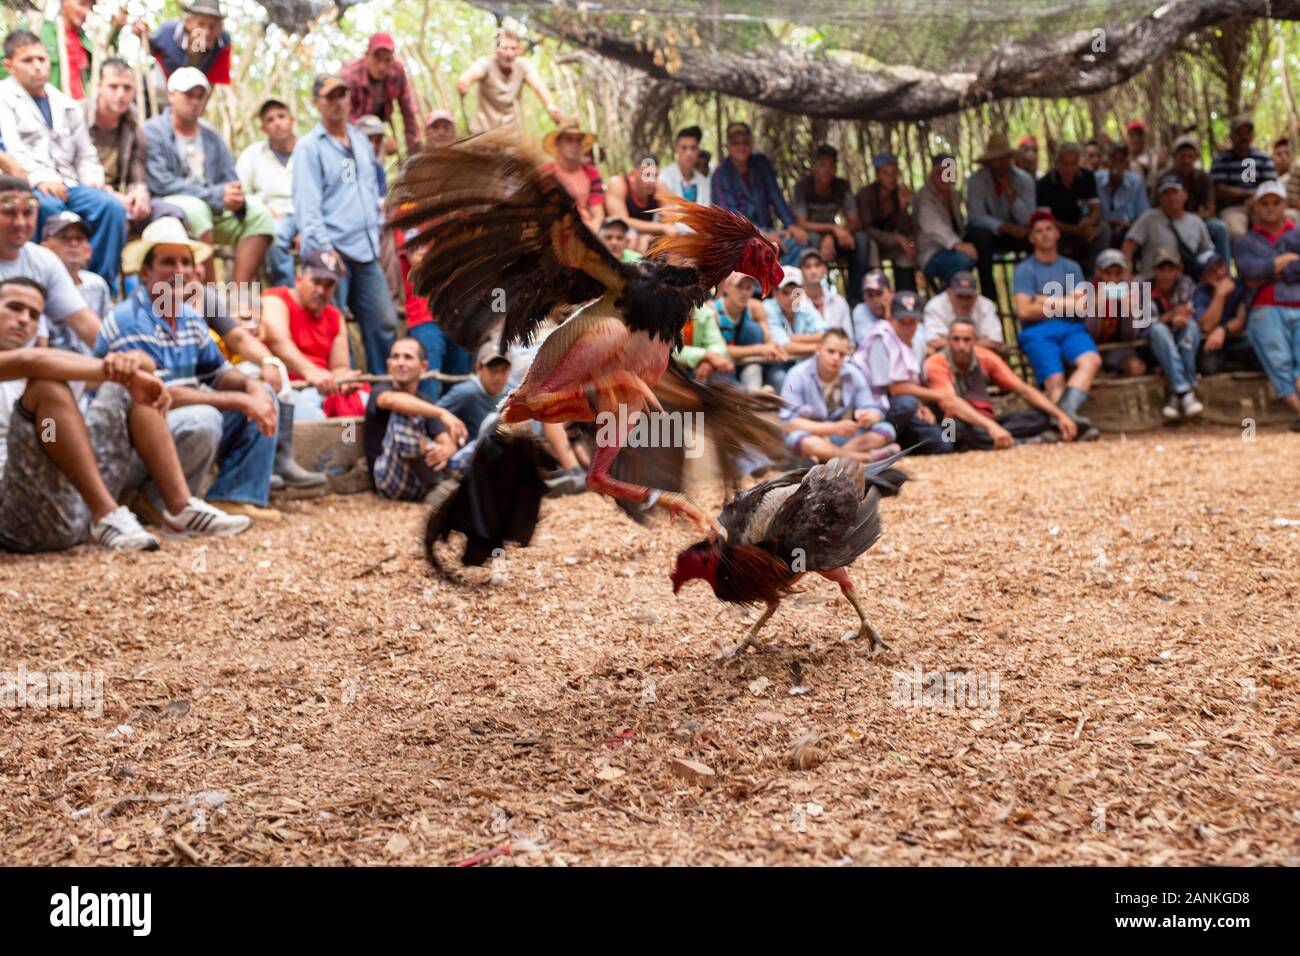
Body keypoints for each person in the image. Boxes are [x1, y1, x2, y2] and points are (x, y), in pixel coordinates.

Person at [0, 276, 248, 551]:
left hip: (69, 499)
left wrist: (130, 366)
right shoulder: (37, 369)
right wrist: (112, 369)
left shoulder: (50, 365)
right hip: (17, 513)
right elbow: (30, 362)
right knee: (49, 387)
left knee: (127, 387)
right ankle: (105, 514)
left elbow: (144, 364)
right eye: (14, 307)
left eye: (33, 314)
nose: (24, 319)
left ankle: (179, 509)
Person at [95, 217, 282, 521]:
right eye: (169, 262)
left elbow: (219, 374)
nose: (180, 272)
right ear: (145, 272)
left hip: (172, 427)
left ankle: (232, 496)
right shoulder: (130, 318)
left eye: (186, 262)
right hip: (128, 445)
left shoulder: (190, 317)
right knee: (204, 419)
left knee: (262, 395)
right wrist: (240, 399)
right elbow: (159, 395)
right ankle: (161, 503)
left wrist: (253, 388)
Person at [0, 29, 126, 286]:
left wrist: (93, 181)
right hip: (30, 185)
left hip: (70, 184)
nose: (37, 67)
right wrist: (38, 180)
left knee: (110, 207)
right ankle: (44, 287)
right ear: (9, 65)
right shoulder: (3, 98)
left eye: (42, 59)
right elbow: (12, 151)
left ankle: (97, 285)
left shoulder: (65, 103)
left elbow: (85, 154)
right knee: (46, 208)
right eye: (28, 60)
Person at [293, 74, 397, 375]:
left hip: (365, 250)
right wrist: (325, 250)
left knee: (384, 320)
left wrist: (375, 231)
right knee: (333, 328)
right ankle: (345, 400)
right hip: (332, 250)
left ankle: (382, 392)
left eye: (342, 94)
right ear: (317, 103)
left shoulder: (361, 141)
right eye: (330, 96)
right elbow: (307, 205)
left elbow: (370, 190)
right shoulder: (309, 147)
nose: (338, 101)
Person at [143, 67, 274, 285]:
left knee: (259, 216)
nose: (195, 102)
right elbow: (162, 183)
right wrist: (215, 195)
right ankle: (210, 300)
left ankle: (236, 296)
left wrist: (235, 198)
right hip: (172, 208)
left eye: (200, 96)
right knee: (197, 209)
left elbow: (230, 178)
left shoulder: (211, 135)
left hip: (213, 209)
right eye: (189, 95)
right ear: (171, 95)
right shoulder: (152, 131)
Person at [924, 316, 1080, 450]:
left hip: (983, 423)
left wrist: (1060, 415)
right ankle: (1021, 442)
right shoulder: (936, 363)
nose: (961, 346)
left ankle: (997, 438)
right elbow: (952, 404)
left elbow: (1023, 389)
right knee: (955, 428)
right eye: (956, 339)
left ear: (976, 341)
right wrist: (991, 427)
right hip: (949, 425)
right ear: (948, 341)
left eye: (967, 340)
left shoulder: (985, 357)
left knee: (1042, 417)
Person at [1012, 210, 1102, 430]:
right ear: (1032, 238)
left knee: (1091, 361)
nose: (1044, 235)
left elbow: (1081, 307)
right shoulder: (1024, 270)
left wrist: (1044, 300)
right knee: (1055, 382)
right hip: (1037, 332)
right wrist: (1065, 303)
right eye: (1038, 231)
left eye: (1049, 229)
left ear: (1057, 233)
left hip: (1071, 328)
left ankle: (1064, 417)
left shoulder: (1071, 267)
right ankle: (1067, 425)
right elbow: (1024, 311)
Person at [258, 249, 365, 422]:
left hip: (323, 390)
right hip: (287, 389)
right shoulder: (275, 299)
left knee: (361, 407)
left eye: (328, 285)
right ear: (299, 280)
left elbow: (339, 366)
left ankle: (348, 446)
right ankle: (333, 445)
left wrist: (343, 379)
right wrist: (312, 373)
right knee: (313, 418)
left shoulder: (335, 317)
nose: (321, 290)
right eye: (316, 282)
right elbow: (278, 341)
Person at [0, 175, 101, 354]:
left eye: (27, 213)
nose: (20, 223)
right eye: (9, 213)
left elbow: (83, 323)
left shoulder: (43, 260)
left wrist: (123, 357)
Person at [1233, 180, 1300, 430]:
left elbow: (1259, 273)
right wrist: (1285, 262)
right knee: (1279, 360)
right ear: (1255, 207)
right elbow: (1249, 273)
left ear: (1285, 205)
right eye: (1265, 203)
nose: (1270, 208)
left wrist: (1270, 270)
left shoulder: (1297, 233)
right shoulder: (1245, 242)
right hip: (1265, 308)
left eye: (1276, 203)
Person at [780, 329, 899, 463]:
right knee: (796, 438)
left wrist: (868, 416)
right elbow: (789, 423)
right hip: (813, 436)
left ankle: (826, 457)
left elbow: (874, 411)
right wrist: (833, 428)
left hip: (843, 438)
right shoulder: (797, 374)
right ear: (818, 349)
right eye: (831, 351)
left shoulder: (853, 374)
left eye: (842, 354)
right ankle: (864, 458)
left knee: (887, 430)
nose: (836, 358)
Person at [857, 290, 954, 454]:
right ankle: (882, 441)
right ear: (891, 318)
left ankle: (900, 443)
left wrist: (922, 406)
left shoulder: (918, 340)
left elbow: (915, 381)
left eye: (912, 322)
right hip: (878, 406)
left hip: (908, 406)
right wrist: (938, 396)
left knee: (944, 445)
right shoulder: (881, 338)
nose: (908, 327)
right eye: (903, 322)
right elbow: (894, 389)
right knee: (907, 403)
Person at [365, 336, 459, 501]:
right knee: (404, 413)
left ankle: (441, 486)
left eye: (407, 357)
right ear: (388, 365)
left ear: (423, 367)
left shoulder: (425, 402)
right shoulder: (380, 391)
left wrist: (444, 450)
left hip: (419, 480)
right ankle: (439, 485)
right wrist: (441, 413)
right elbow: (393, 401)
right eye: (395, 357)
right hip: (389, 480)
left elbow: (446, 441)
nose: (400, 363)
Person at [711, 121, 806, 264]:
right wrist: (760, 234)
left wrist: (790, 225)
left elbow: (776, 197)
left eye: (745, 142)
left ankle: (786, 285)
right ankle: (757, 287)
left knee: (798, 243)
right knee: (756, 251)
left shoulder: (761, 164)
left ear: (751, 144)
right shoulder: (720, 174)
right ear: (728, 147)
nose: (741, 147)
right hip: (740, 237)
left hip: (769, 230)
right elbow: (729, 217)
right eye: (736, 143)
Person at [85, 57, 162, 233]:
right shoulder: (77, 116)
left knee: (170, 212)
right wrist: (110, 194)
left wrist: (140, 193)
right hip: (89, 195)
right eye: (113, 86)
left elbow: (138, 169)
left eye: (127, 88)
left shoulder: (133, 126)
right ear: (98, 87)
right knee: (114, 210)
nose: (120, 94)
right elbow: (69, 171)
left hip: (122, 198)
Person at [455, 25, 564, 135]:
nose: (509, 54)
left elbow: (538, 85)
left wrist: (550, 106)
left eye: (513, 48)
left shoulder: (523, 65)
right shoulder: (486, 63)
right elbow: (473, 72)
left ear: (519, 50)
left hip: (510, 134)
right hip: (482, 133)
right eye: (505, 48)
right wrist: (464, 81)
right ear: (496, 50)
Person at [964, 133, 1036, 298]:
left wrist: (1012, 197)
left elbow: (1028, 218)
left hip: (1020, 233)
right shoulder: (976, 181)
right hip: (991, 237)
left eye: (1004, 158)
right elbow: (976, 216)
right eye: (997, 159)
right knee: (978, 234)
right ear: (989, 162)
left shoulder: (1024, 180)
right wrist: (1004, 227)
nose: (1002, 163)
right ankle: (990, 298)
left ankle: (1033, 292)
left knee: (1037, 235)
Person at [236, 97, 297, 289]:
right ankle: (286, 297)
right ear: (263, 128)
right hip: (274, 217)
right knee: (275, 236)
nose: (277, 123)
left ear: (291, 120)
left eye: (281, 116)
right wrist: (263, 209)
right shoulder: (253, 155)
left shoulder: (309, 150)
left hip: (308, 215)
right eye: (270, 120)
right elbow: (239, 191)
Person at [792, 144, 865, 295]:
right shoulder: (802, 187)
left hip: (835, 237)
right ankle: (807, 294)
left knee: (861, 239)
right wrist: (832, 229)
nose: (827, 170)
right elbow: (802, 223)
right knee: (807, 239)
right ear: (813, 167)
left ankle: (855, 298)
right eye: (822, 165)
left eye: (831, 166)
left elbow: (855, 221)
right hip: (812, 236)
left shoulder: (842, 186)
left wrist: (832, 235)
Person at [1145, 246, 1204, 420]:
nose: (1166, 275)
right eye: (1161, 270)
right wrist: (1171, 316)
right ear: (1154, 271)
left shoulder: (1186, 283)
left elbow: (1188, 312)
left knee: (1191, 328)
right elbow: (1146, 325)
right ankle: (1185, 390)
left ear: (1178, 270)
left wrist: (1179, 318)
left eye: (1171, 269)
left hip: (1181, 339)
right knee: (1159, 330)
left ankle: (1177, 393)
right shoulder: (1143, 286)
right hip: (1152, 347)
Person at [341, 33, 422, 152]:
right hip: (354, 128)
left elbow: (408, 112)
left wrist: (415, 150)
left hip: (380, 120)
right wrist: (376, 141)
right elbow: (344, 118)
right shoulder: (349, 75)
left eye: (387, 60)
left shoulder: (398, 72)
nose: (382, 66)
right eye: (377, 58)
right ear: (367, 56)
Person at [1122, 172, 1213, 277]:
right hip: (1150, 281)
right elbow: (1128, 245)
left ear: (1185, 194)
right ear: (1160, 198)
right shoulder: (1149, 218)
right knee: (1112, 291)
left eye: (1175, 192)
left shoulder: (1196, 222)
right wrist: (1126, 272)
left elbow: (1208, 253)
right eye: (1166, 193)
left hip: (1184, 285)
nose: (1171, 197)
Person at [708, 272, 788, 390]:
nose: (744, 292)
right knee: (738, 389)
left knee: (754, 330)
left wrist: (774, 348)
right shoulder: (712, 310)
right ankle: (755, 394)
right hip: (721, 368)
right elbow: (720, 350)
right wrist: (761, 349)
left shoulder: (755, 307)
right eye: (739, 287)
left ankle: (755, 392)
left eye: (748, 287)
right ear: (727, 287)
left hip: (748, 364)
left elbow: (767, 338)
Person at [1158, 134, 1230, 264]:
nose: (1186, 160)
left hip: (1197, 221)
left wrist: (1188, 219)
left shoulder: (1203, 177)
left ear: (1195, 158)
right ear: (1174, 157)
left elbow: (1210, 210)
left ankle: (1223, 272)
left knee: (1219, 228)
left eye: (1190, 156)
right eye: (1182, 156)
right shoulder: (1163, 177)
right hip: (1167, 222)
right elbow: (1156, 207)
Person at [1036, 141, 1105, 271]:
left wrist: (1090, 220)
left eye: (1073, 164)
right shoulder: (1044, 184)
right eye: (1065, 164)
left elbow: (1095, 209)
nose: (1069, 169)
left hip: (1082, 228)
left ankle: (1094, 274)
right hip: (1059, 231)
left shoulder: (1087, 177)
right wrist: (1076, 230)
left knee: (1103, 229)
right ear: (1057, 164)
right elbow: (1046, 220)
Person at [854, 151, 916, 296]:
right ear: (877, 175)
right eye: (886, 173)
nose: (891, 178)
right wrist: (896, 238)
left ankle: (906, 297)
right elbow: (866, 228)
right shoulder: (866, 195)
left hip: (892, 244)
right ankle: (877, 294)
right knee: (871, 247)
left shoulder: (899, 194)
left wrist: (903, 207)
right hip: (872, 244)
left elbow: (906, 229)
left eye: (894, 173)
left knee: (906, 251)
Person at [915, 152, 978, 290]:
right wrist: (956, 244)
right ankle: (948, 301)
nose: (944, 177)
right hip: (931, 253)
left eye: (949, 172)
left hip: (953, 248)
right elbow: (932, 226)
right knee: (963, 261)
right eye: (940, 172)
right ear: (932, 173)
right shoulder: (925, 197)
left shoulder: (955, 194)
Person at [1085, 248, 1150, 379]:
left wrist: (1129, 313)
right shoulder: (1086, 290)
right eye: (1107, 273)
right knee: (1089, 371)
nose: (1113, 279)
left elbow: (1130, 336)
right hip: (1090, 348)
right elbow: (1088, 334)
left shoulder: (1130, 291)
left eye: (1118, 273)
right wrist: (1096, 309)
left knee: (1136, 367)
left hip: (1118, 349)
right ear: (1098, 272)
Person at [39, 211, 111, 329]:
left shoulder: (98, 285)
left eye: (80, 238)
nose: (73, 243)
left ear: (89, 251)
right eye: (64, 238)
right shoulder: (39, 286)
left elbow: (106, 333)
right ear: (44, 247)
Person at [133, 2, 232, 88]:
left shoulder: (222, 42)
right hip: (161, 85)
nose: (206, 32)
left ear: (219, 28)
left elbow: (213, 80)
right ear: (188, 23)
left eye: (212, 26)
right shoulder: (168, 31)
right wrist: (142, 34)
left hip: (189, 94)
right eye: (201, 24)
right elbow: (151, 48)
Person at [1192, 249, 1255, 376]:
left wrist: (1222, 330)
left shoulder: (1240, 284)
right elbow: (1206, 326)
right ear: (1204, 278)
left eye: (1220, 265)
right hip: (1213, 343)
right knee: (1207, 364)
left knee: (1256, 347)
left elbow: (1240, 320)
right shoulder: (1201, 291)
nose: (1220, 273)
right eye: (1212, 271)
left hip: (1238, 338)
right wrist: (1220, 294)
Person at [1212, 115, 1277, 239]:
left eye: (1247, 133)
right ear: (1231, 136)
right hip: (1232, 208)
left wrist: (1256, 199)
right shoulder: (1221, 159)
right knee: (1237, 233)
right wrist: (1250, 194)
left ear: (1252, 135)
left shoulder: (1263, 157)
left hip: (1261, 205)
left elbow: (1271, 185)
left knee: (1271, 228)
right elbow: (1219, 189)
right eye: (1239, 133)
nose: (1244, 137)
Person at [437, 341, 512, 439]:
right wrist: (445, 440)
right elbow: (433, 415)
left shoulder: (510, 393)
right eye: (493, 370)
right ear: (479, 368)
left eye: (503, 370)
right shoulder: (466, 392)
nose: (498, 377)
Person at [538, 118, 604, 230]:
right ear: (558, 143)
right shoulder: (546, 172)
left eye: (578, 141)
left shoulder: (591, 172)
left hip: (588, 229)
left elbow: (598, 211)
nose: (574, 144)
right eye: (569, 140)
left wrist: (594, 228)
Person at [922, 270, 1006, 358]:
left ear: (976, 296)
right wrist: (968, 344)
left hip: (981, 355)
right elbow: (934, 341)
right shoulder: (935, 306)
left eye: (968, 297)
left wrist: (961, 345)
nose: (964, 302)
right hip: (946, 356)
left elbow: (994, 341)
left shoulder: (986, 305)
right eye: (960, 296)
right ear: (949, 294)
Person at [603, 157, 673, 252]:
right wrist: (662, 228)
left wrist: (651, 234)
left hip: (644, 236)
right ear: (633, 174)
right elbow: (621, 221)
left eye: (655, 176)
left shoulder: (659, 187)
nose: (650, 181)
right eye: (646, 175)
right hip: (613, 234)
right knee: (632, 238)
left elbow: (670, 222)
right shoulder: (618, 184)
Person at [1095, 141, 1149, 248]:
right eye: (1113, 159)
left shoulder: (1136, 183)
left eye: (1121, 160)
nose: (1116, 164)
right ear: (1106, 162)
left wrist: (1127, 225)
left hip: (1128, 233)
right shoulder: (1095, 180)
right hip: (1100, 232)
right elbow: (1087, 212)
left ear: (1127, 164)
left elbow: (1144, 216)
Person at [797, 247, 851, 338]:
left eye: (817, 265)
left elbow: (849, 339)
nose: (813, 271)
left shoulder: (839, 302)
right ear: (801, 271)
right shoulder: (794, 303)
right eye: (807, 266)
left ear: (825, 269)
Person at [658, 126, 710, 206]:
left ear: (698, 150)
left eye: (693, 148)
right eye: (684, 148)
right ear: (676, 149)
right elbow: (667, 215)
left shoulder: (703, 182)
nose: (689, 153)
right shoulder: (664, 177)